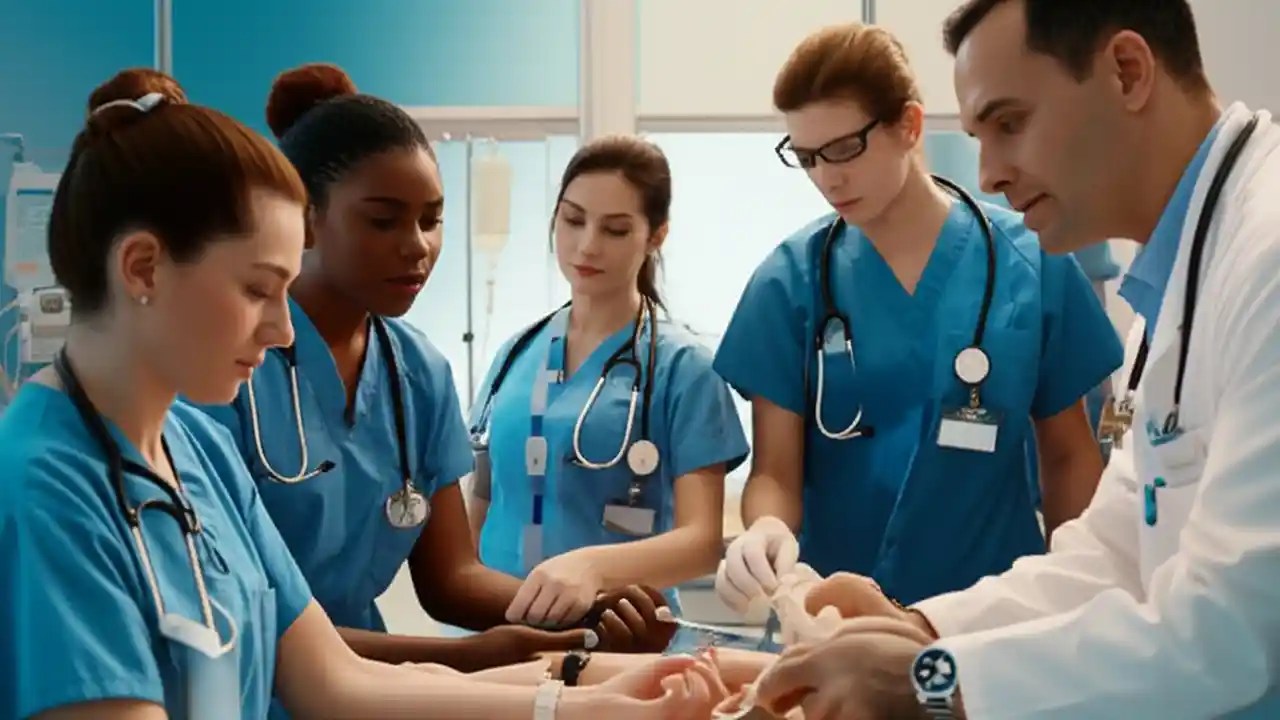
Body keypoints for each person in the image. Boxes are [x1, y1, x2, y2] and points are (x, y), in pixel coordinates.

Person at [0, 68, 726, 720]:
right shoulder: (49, 486)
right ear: (143, 268)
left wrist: (580, 703)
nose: (284, 327)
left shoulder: (197, 454)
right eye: (258, 289)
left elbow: (337, 681)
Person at [749, 1, 1280, 718]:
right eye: (976, 135)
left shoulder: (1265, 259)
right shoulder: (1172, 294)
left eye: (1009, 123)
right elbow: (1113, 555)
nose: (990, 173)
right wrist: (919, 632)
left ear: (1127, 72)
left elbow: (1233, 633)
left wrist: (934, 678)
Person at [191, 63, 674, 683]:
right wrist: (466, 657)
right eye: (384, 220)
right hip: (244, 686)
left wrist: (589, 618)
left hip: (370, 690)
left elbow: (451, 579)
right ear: (307, 216)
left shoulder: (416, 372)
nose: (417, 245)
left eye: (432, 219)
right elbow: (239, 613)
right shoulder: (225, 368)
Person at [712, 21, 1123, 614]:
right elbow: (776, 471)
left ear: (909, 125)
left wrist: (1076, 596)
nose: (828, 177)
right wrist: (766, 528)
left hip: (994, 620)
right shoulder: (790, 282)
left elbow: (1068, 456)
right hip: (832, 621)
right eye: (806, 158)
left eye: (845, 148)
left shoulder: (1032, 262)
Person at [466, 135, 749, 628]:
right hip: (496, 630)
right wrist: (462, 607)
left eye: (615, 230)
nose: (587, 245)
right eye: (573, 220)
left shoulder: (685, 369)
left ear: (656, 235)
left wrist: (591, 568)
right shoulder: (514, 355)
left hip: (619, 632)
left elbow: (702, 542)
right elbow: (482, 500)